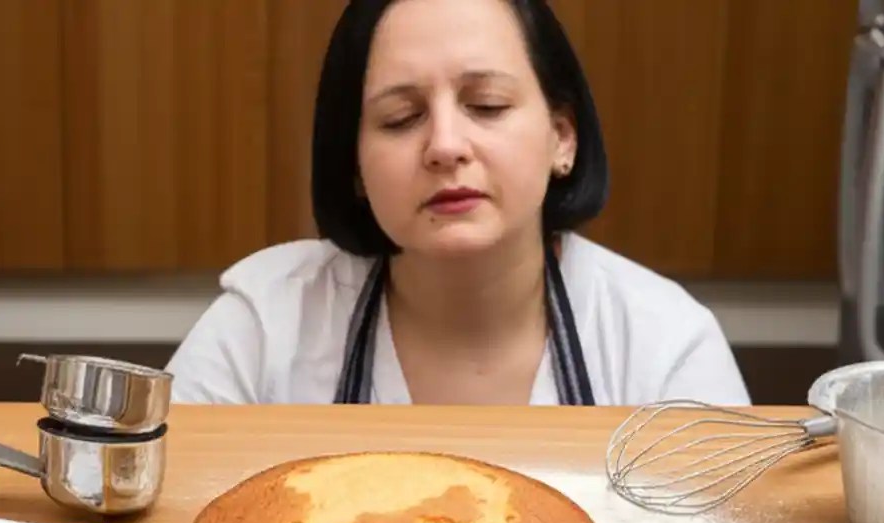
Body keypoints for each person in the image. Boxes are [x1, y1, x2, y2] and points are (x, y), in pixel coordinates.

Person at [166, 0, 750, 407]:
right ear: (356, 169)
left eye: (488, 105)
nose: (445, 146)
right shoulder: (267, 325)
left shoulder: (665, 345)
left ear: (562, 137)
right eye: (401, 118)